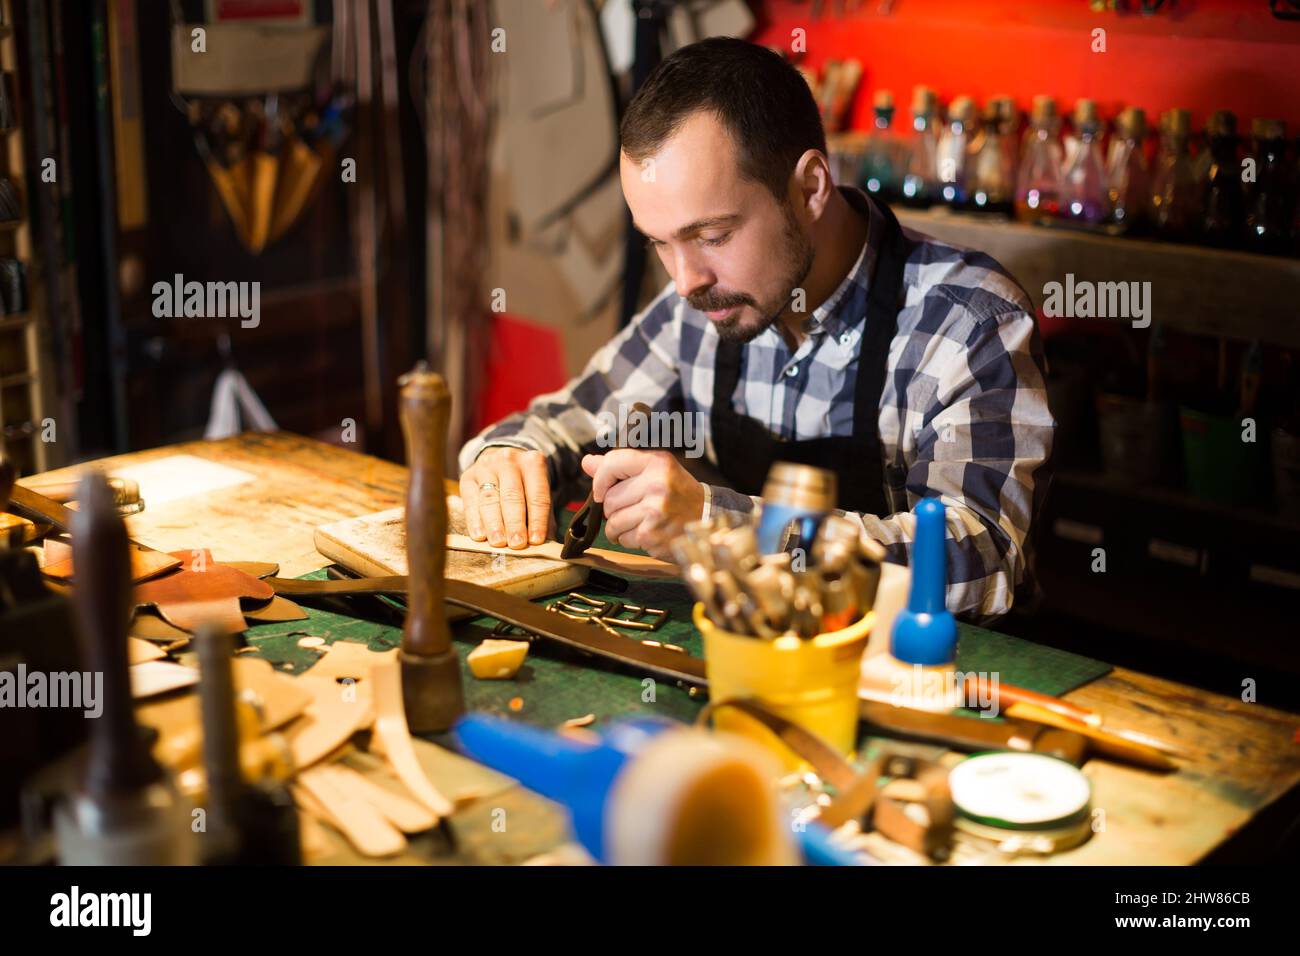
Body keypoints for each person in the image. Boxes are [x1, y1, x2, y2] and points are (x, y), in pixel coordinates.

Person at [459, 38, 1054, 622]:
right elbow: (561, 418)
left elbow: (984, 561)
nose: (686, 279)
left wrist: (721, 522)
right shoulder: (703, 302)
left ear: (810, 188)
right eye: (659, 244)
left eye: (712, 236)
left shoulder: (969, 322)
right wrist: (508, 459)